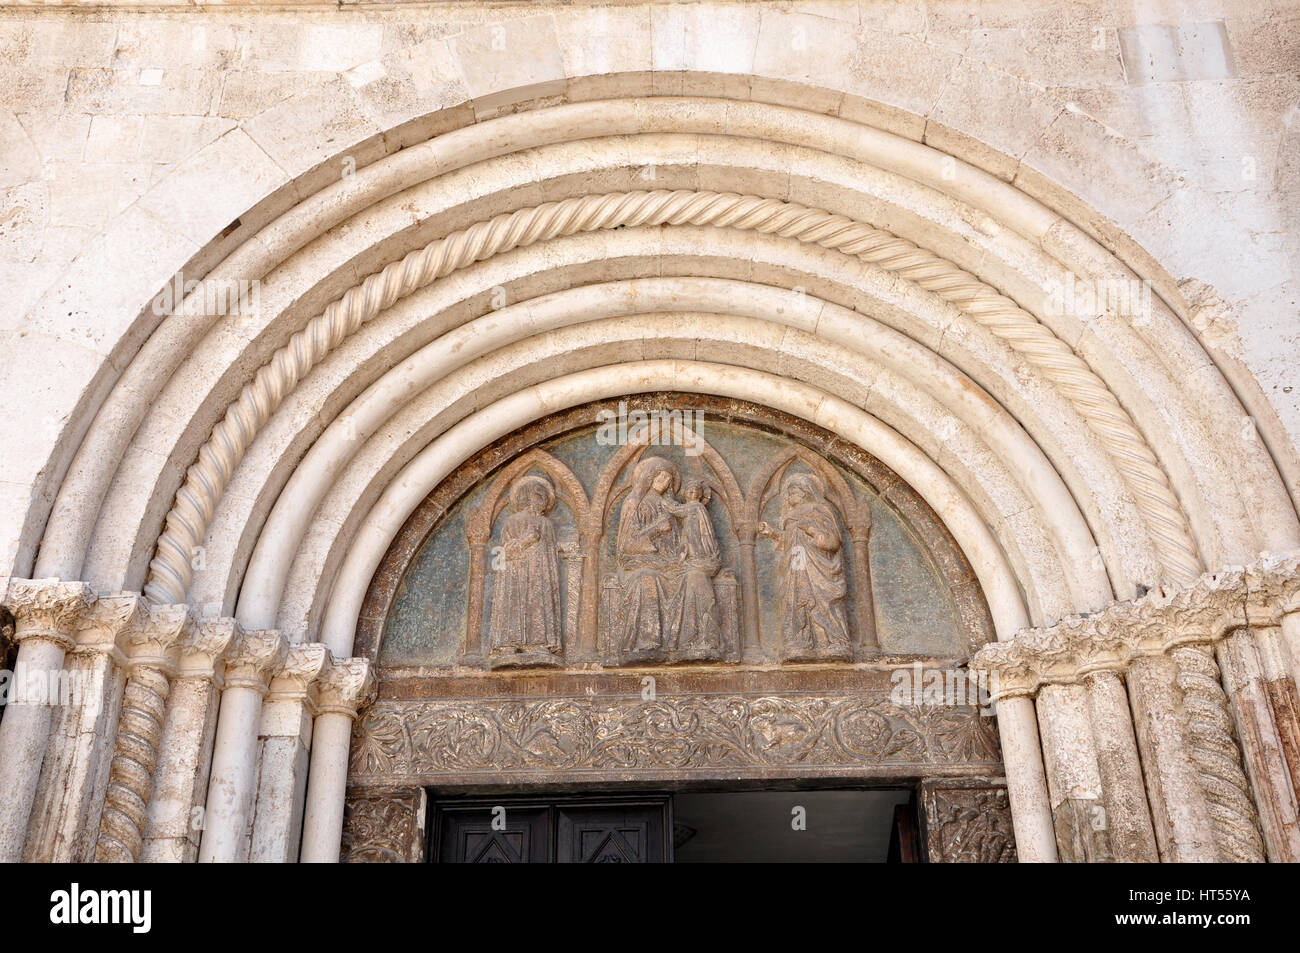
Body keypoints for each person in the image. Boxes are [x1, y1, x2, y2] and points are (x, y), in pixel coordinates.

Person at [758, 472, 852, 661]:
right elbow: (790, 543)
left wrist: (810, 527)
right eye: (789, 493)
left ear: (806, 492)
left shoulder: (819, 511)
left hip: (818, 567)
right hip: (796, 567)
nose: (790, 496)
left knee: (821, 600)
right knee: (797, 600)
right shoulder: (790, 517)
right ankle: (801, 643)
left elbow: (832, 542)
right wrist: (772, 533)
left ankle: (833, 642)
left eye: (794, 492)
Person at [487, 474, 562, 657]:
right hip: (515, 574)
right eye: (538, 495)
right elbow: (504, 553)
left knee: (538, 603)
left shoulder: (546, 524)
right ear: (527, 497)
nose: (542, 501)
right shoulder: (512, 521)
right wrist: (526, 541)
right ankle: (509, 645)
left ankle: (539, 644)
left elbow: (551, 556)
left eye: (544, 497)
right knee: (513, 603)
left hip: (539, 574)